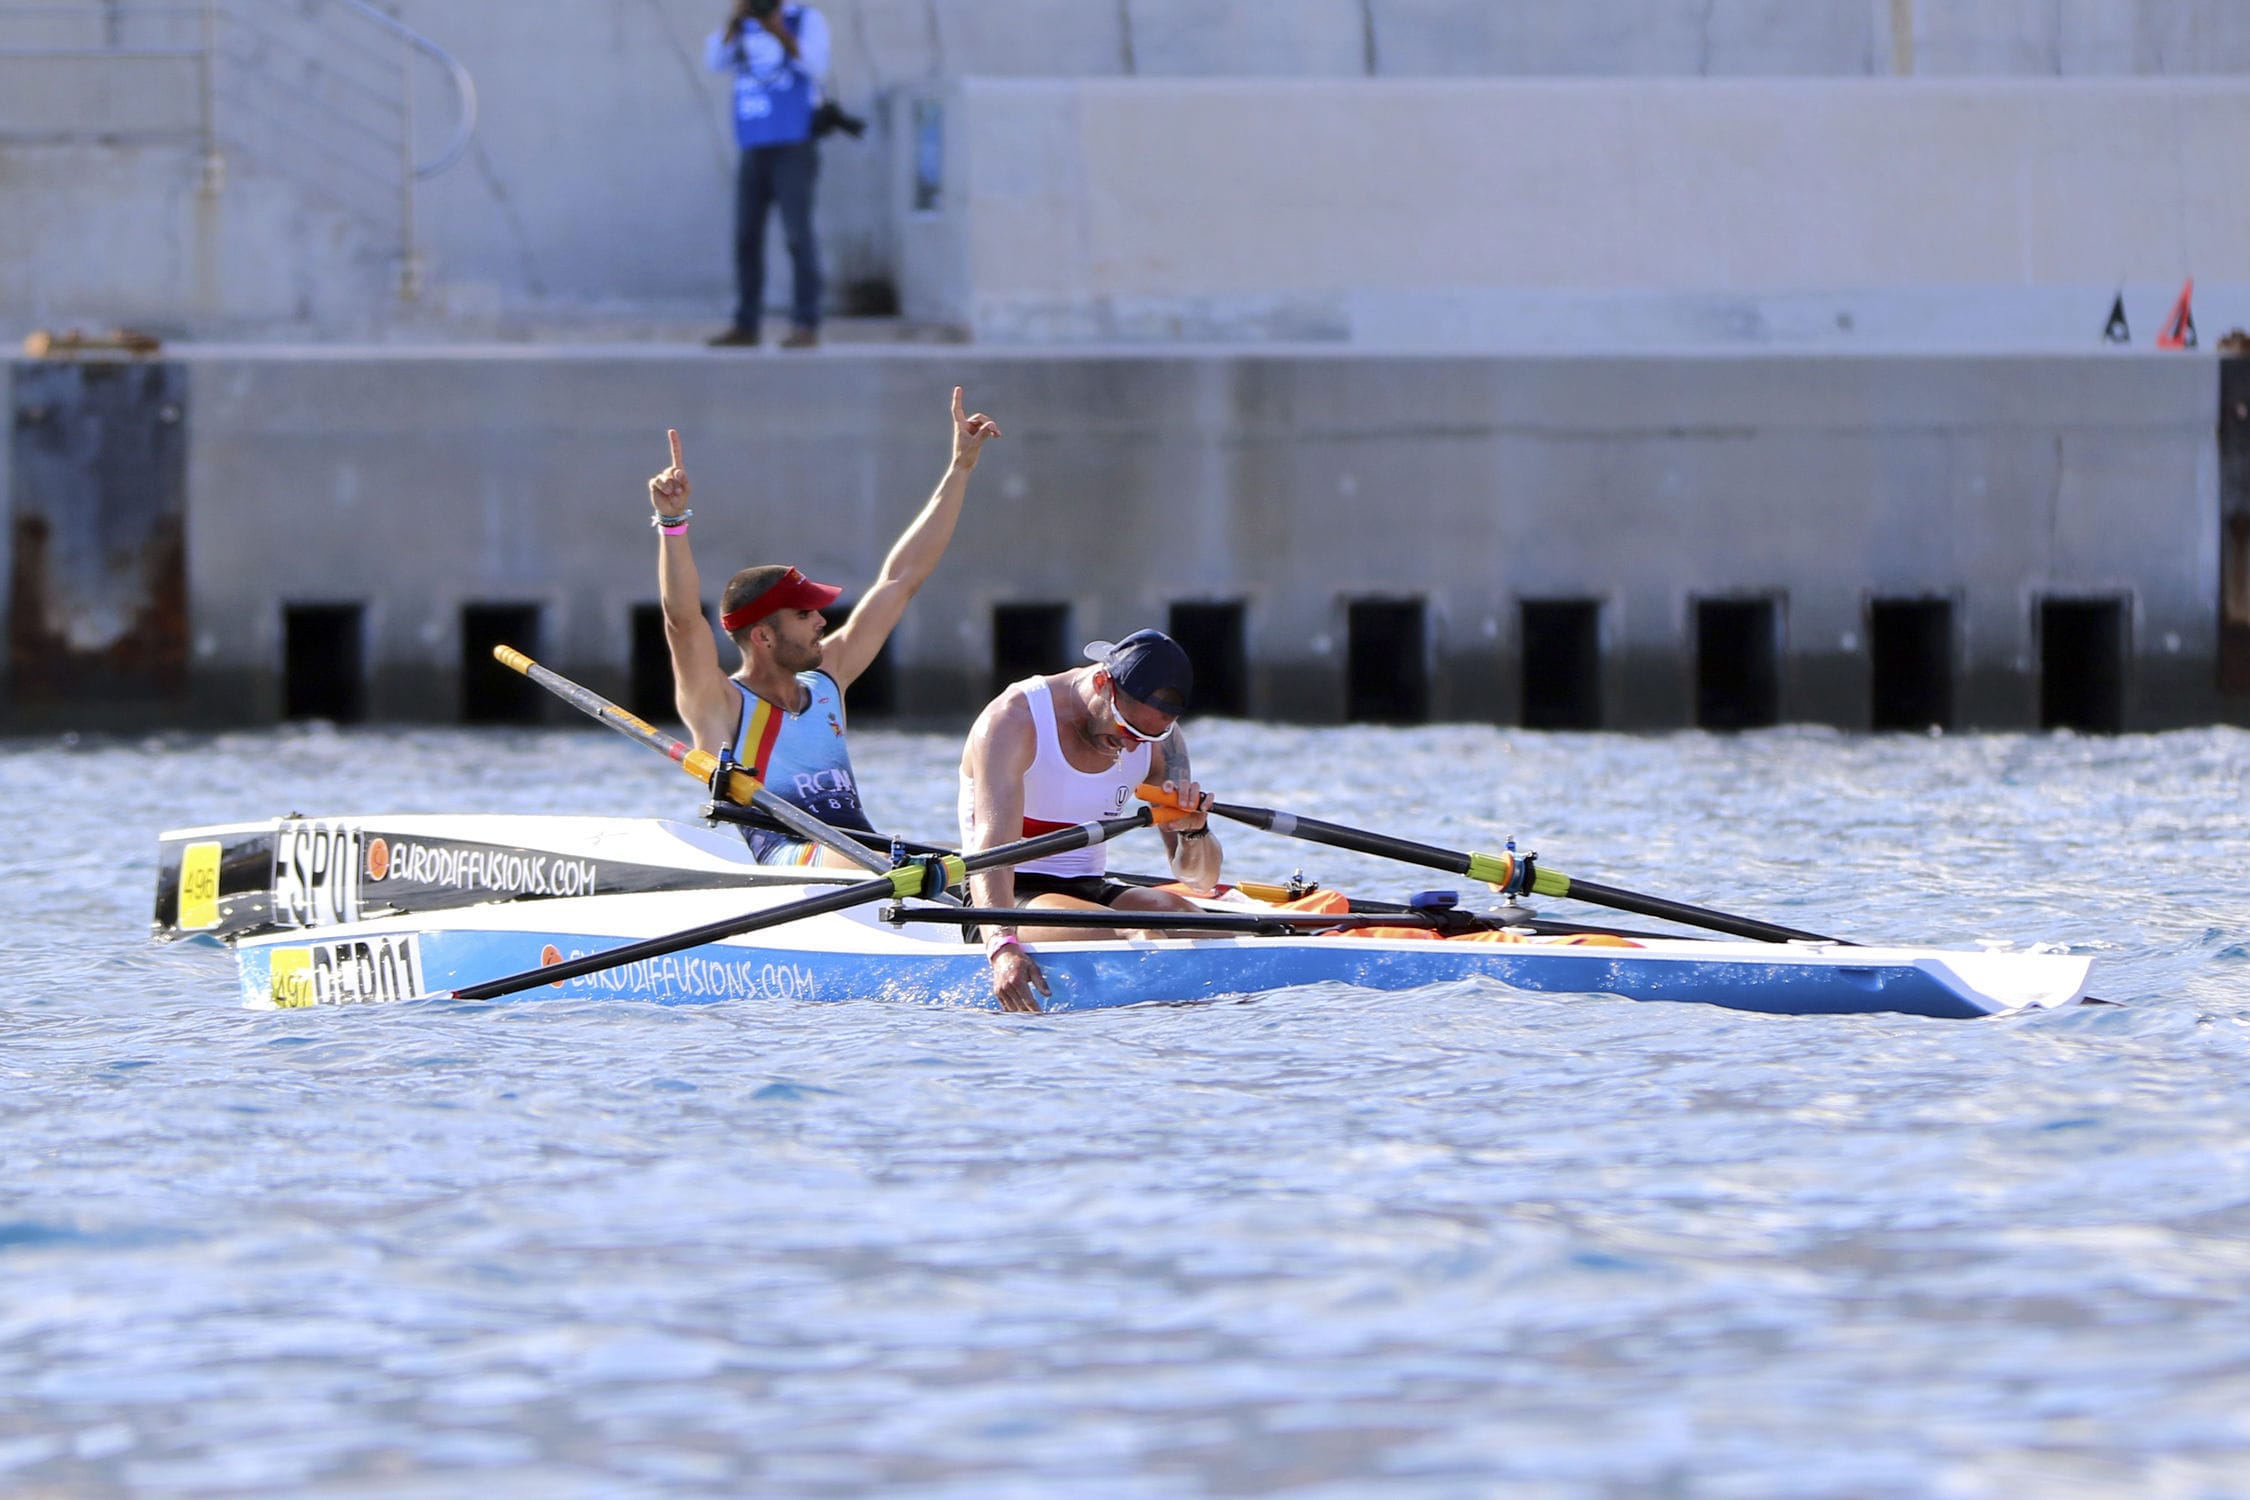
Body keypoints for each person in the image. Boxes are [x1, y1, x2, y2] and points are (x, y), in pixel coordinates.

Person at [648, 386, 1001, 864]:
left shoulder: (828, 676)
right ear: (763, 635)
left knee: (984, 860)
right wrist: (673, 523)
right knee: (913, 862)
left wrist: (960, 468)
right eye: (803, 613)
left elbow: (901, 579)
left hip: (870, 854)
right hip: (784, 862)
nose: (820, 621)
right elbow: (682, 620)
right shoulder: (719, 702)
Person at [957, 629, 1222, 1012]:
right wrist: (1002, 947)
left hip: (1088, 889)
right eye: (1127, 729)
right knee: (1138, 933)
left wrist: (1195, 832)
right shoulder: (1015, 720)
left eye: (1147, 736)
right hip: (1004, 897)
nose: (1133, 745)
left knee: (1200, 924)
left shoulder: (1162, 741)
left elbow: (1200, 879)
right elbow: (994, 853)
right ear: (1102, 682)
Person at [706, 0, 830, 349]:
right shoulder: (742, 22)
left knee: (797, 235)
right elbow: (715, 61)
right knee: (746, 236)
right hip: (754, 140)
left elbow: (818, 65)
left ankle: (806, 323)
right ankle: (746, 323)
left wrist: (779, 30)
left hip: (793, 141)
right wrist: (734, 21)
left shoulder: (804, 18)